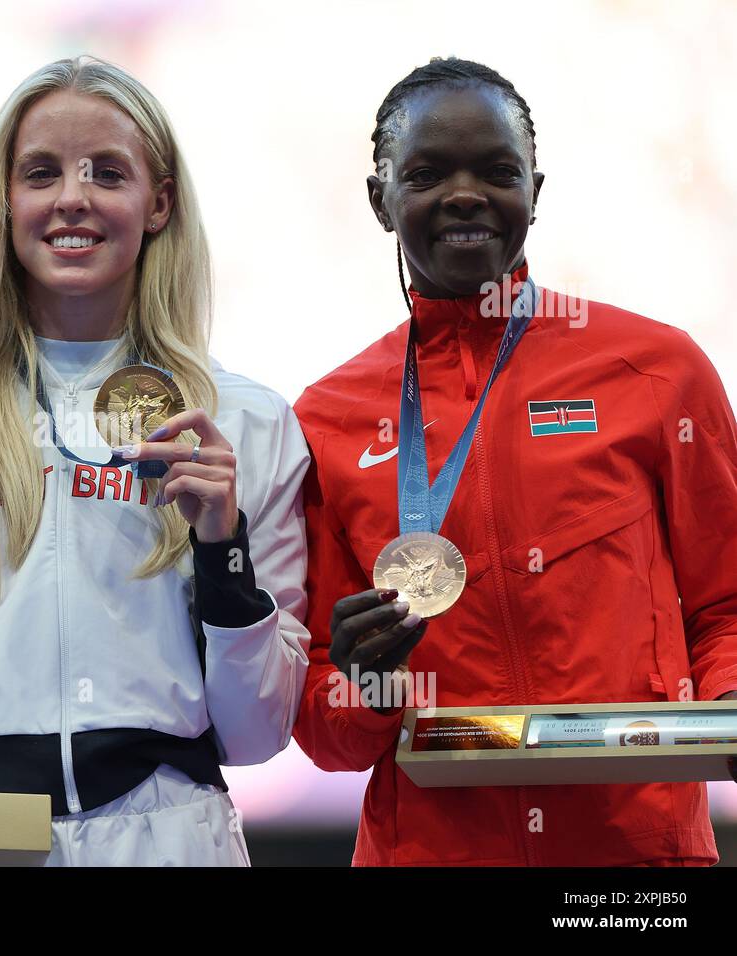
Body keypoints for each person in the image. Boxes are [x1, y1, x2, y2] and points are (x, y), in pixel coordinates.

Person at [0, 56, 310, 866]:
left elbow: (257, 732)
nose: (72, 198)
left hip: (165, 835)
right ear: (6, 199)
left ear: (158, 202)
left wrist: (222, 553)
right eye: (41, 172)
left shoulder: (244, 421)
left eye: (107, 172)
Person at [293, 58, 737, 865]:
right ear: (379, 199)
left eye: (497, 171)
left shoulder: (658, 371)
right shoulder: (323, 421)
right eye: (428, 174)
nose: (465, 195)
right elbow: (328, 736)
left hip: (636, 862)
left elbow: (729, 604)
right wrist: (366, 686)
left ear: (535, 190)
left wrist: (727, 713)